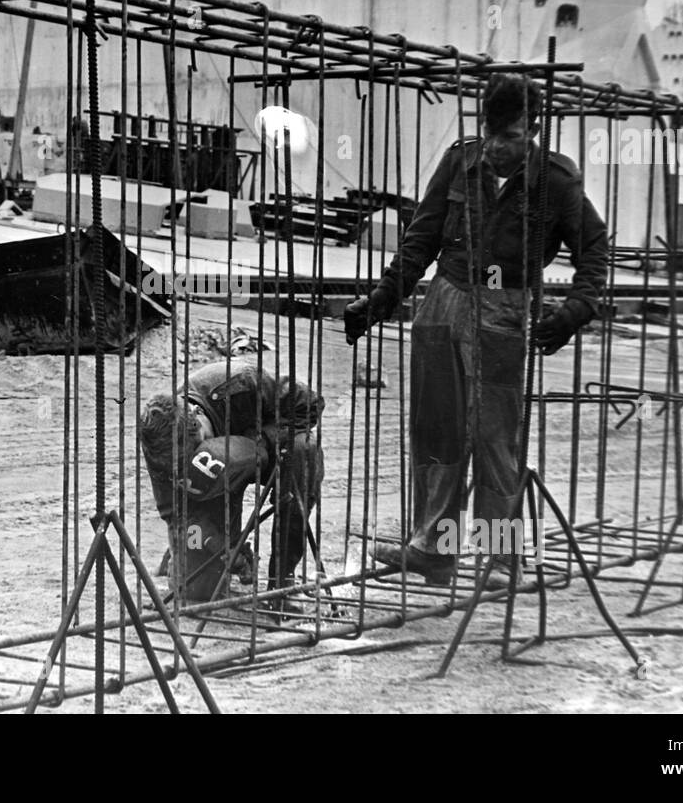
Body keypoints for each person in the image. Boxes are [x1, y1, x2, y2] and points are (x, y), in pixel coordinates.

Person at [344, 73, 608, 589]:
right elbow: (420, 237)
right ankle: (434, 550)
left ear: (531, 129)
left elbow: (594, 249)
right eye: (490, 134)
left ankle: (501, 559)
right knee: (436, 429)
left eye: (509, 138)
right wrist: (382, 299)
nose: (495, 148)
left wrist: (576, 310)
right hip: (445, 300)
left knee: (495, 437)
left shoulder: (557, 180)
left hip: (505, 310)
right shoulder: (460, 161)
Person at [138, 359, 325, 609]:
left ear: (196, 417)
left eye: (196, 451)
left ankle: (283, 581)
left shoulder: (240, 383)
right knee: (197, 590)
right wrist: (219, 546)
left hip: (269, 450)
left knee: (304, 451)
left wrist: (260, 441)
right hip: (212, 479)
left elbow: (311, 404)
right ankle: (184, 556)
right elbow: (178, 519)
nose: (189, 463)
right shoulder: (159, 448)